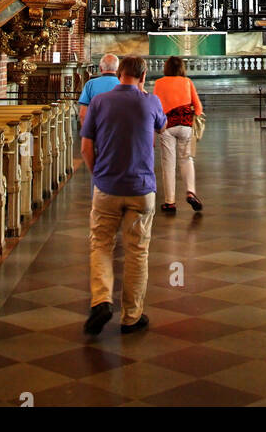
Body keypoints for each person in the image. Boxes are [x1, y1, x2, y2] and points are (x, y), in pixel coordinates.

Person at [80, 55, 166, 337]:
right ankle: (131, 316)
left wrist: (98, 175)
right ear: (143, 77)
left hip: (106, 185)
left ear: (118, 74)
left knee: (101, 245)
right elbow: (161, 127)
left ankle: (102, 300)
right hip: (141, 187)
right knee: (137, 251)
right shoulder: (151, 101)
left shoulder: (99, 101)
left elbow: (85, 148)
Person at [153, 56, 204, 214]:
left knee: (168, 163)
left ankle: (170, 202)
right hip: (185, 125)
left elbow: (155, 106)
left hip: (166, 125)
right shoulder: (187, 82)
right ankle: (190, 191)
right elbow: (198, 108)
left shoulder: (159, 83)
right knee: (186, 159)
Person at [78, 53, 120, 129]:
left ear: (100, 68)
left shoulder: (90, 84)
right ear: (117, 69)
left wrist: (87, 135)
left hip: (96, 131)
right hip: (118, 132)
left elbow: (82, 114)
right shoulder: (123, 84)